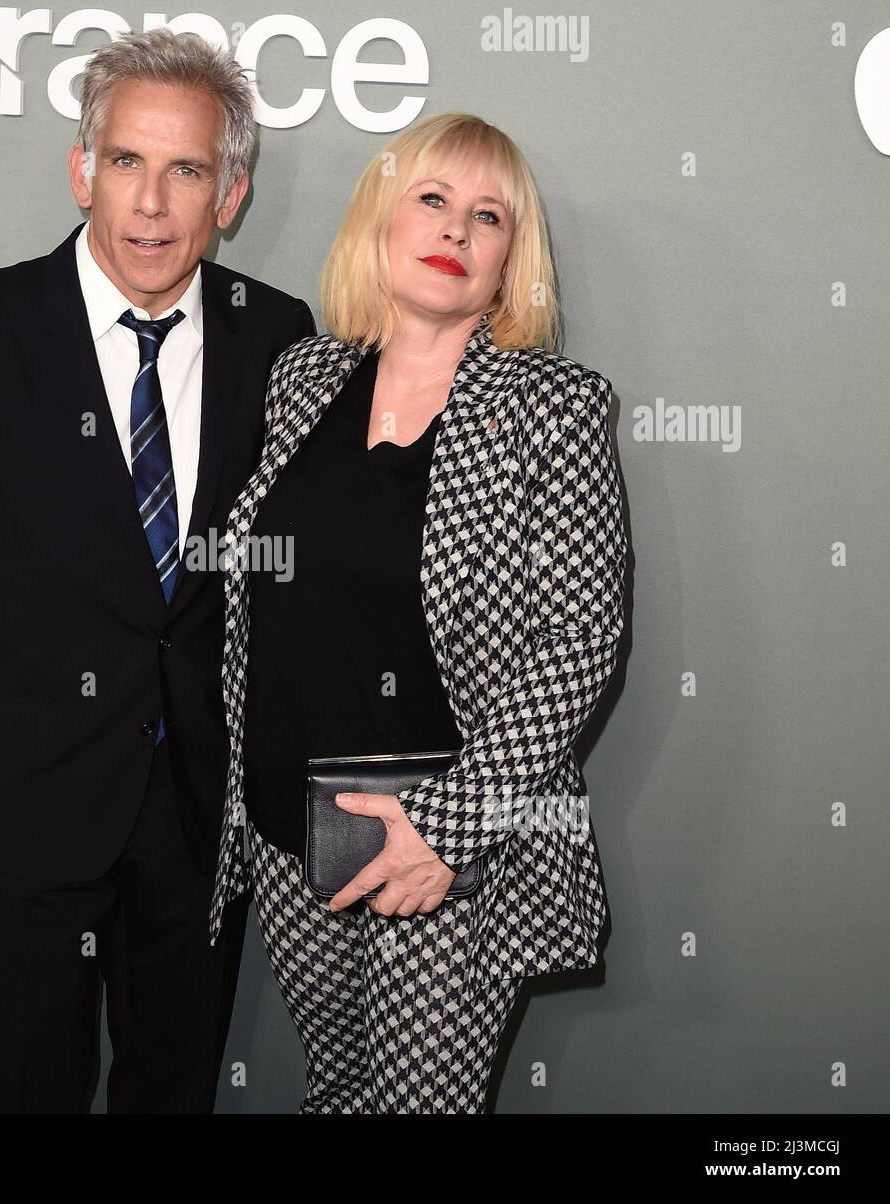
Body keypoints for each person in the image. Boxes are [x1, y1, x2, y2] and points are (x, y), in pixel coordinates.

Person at [0, 29, 315, 1113]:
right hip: (19, 812)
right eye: (125, 162)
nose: (151, 204)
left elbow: (289, 592)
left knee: (174, 1093)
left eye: (187, 170)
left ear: (231, 192)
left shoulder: (277, 339)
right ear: (80, 170)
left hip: (200, 822)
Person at [207, 112, 628, 1113]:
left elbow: (580, 642)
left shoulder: (552, 407)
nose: (456, 229)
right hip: (282, 827)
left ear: (508, 261)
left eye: (489, 217)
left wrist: (444, 830)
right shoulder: (303, 378)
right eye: (432, 200)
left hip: (440, 849)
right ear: (379, 223)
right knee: (336, 1092)